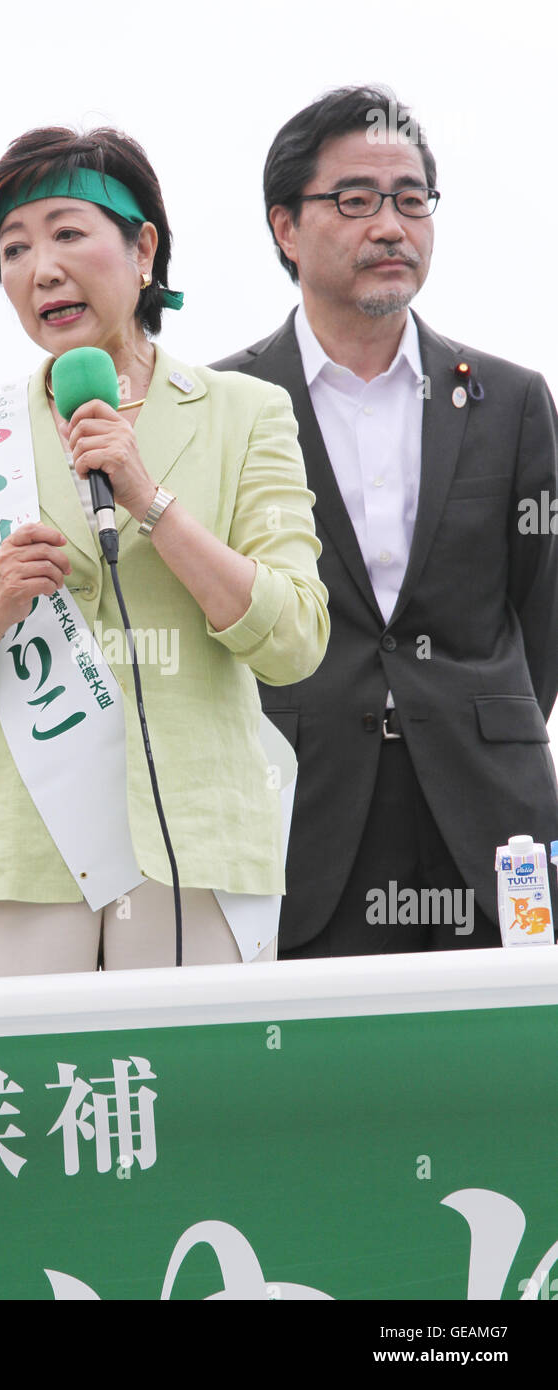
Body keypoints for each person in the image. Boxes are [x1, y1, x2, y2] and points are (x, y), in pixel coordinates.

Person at [0, 125, 329, 979]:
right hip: (7, 856)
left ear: (143, 246)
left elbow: (295, 637)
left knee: (190, 1107)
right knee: (14, 1109)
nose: (41, 269)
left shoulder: (245, 413)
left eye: (68, 233)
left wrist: (151, 502)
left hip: (193, 852)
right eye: (14, 248)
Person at [213, 86, 558, 957]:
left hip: (488, 816)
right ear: (285, 228)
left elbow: (542, 610)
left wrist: (484, 719)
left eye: (411, 200)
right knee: (318, 1081)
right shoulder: (227, 404)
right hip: (302, 808)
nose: (391, 226)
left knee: (507, 1077)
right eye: (356, 200)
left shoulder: (509, 399)